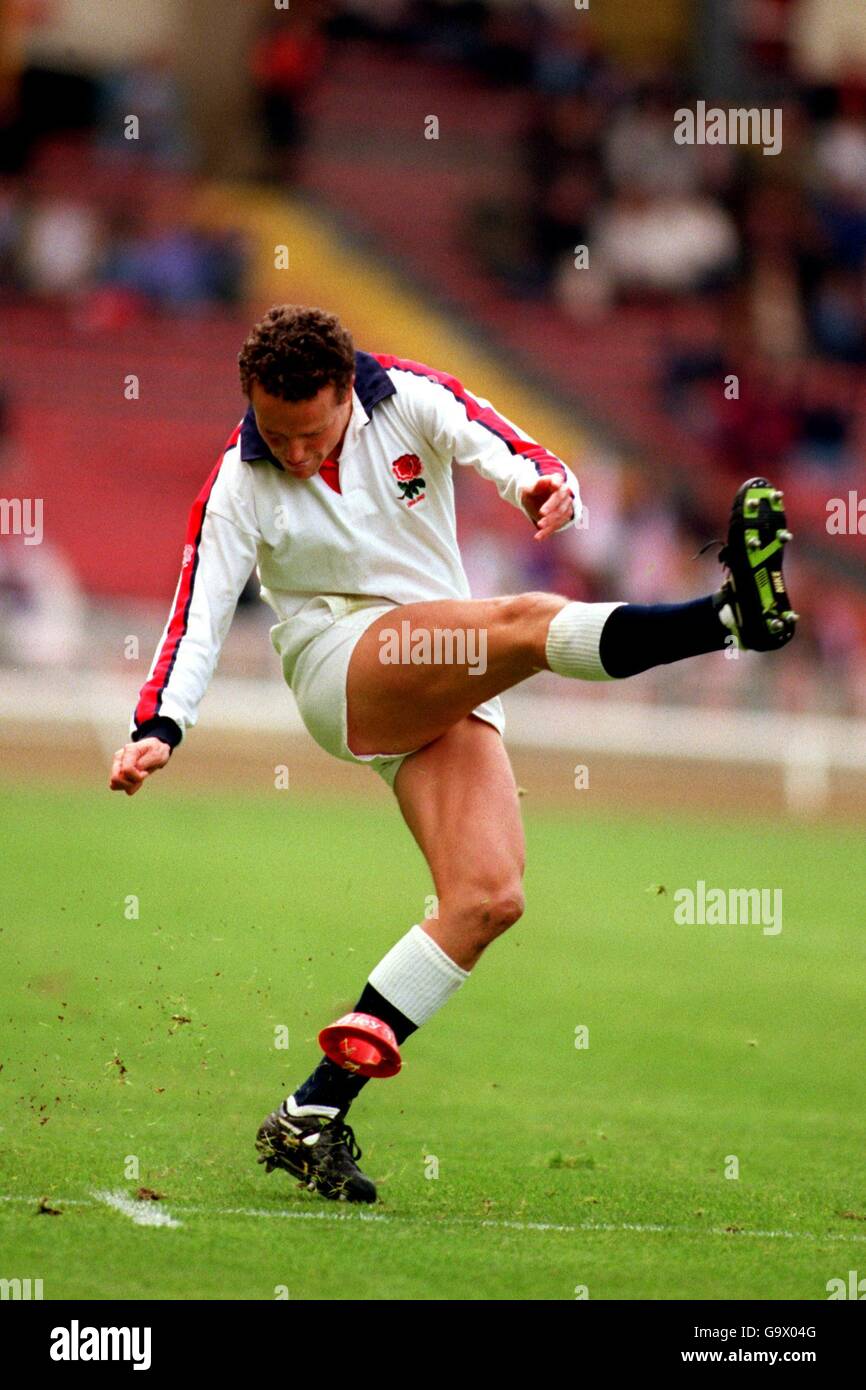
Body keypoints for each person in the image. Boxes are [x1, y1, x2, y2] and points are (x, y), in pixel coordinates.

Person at [109, 305, 798, 1204]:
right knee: (520, 622)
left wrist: (542, 489)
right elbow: (196, 616)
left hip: (443, 674)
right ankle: (727, 619)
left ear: (346, 396)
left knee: (486, 898)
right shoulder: (239, 484)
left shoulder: (408, 398)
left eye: (311, 435)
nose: (295, 454)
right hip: (340, 667)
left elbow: (511, 451)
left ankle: (311, 1114)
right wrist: (160, 726)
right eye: (275, 435)